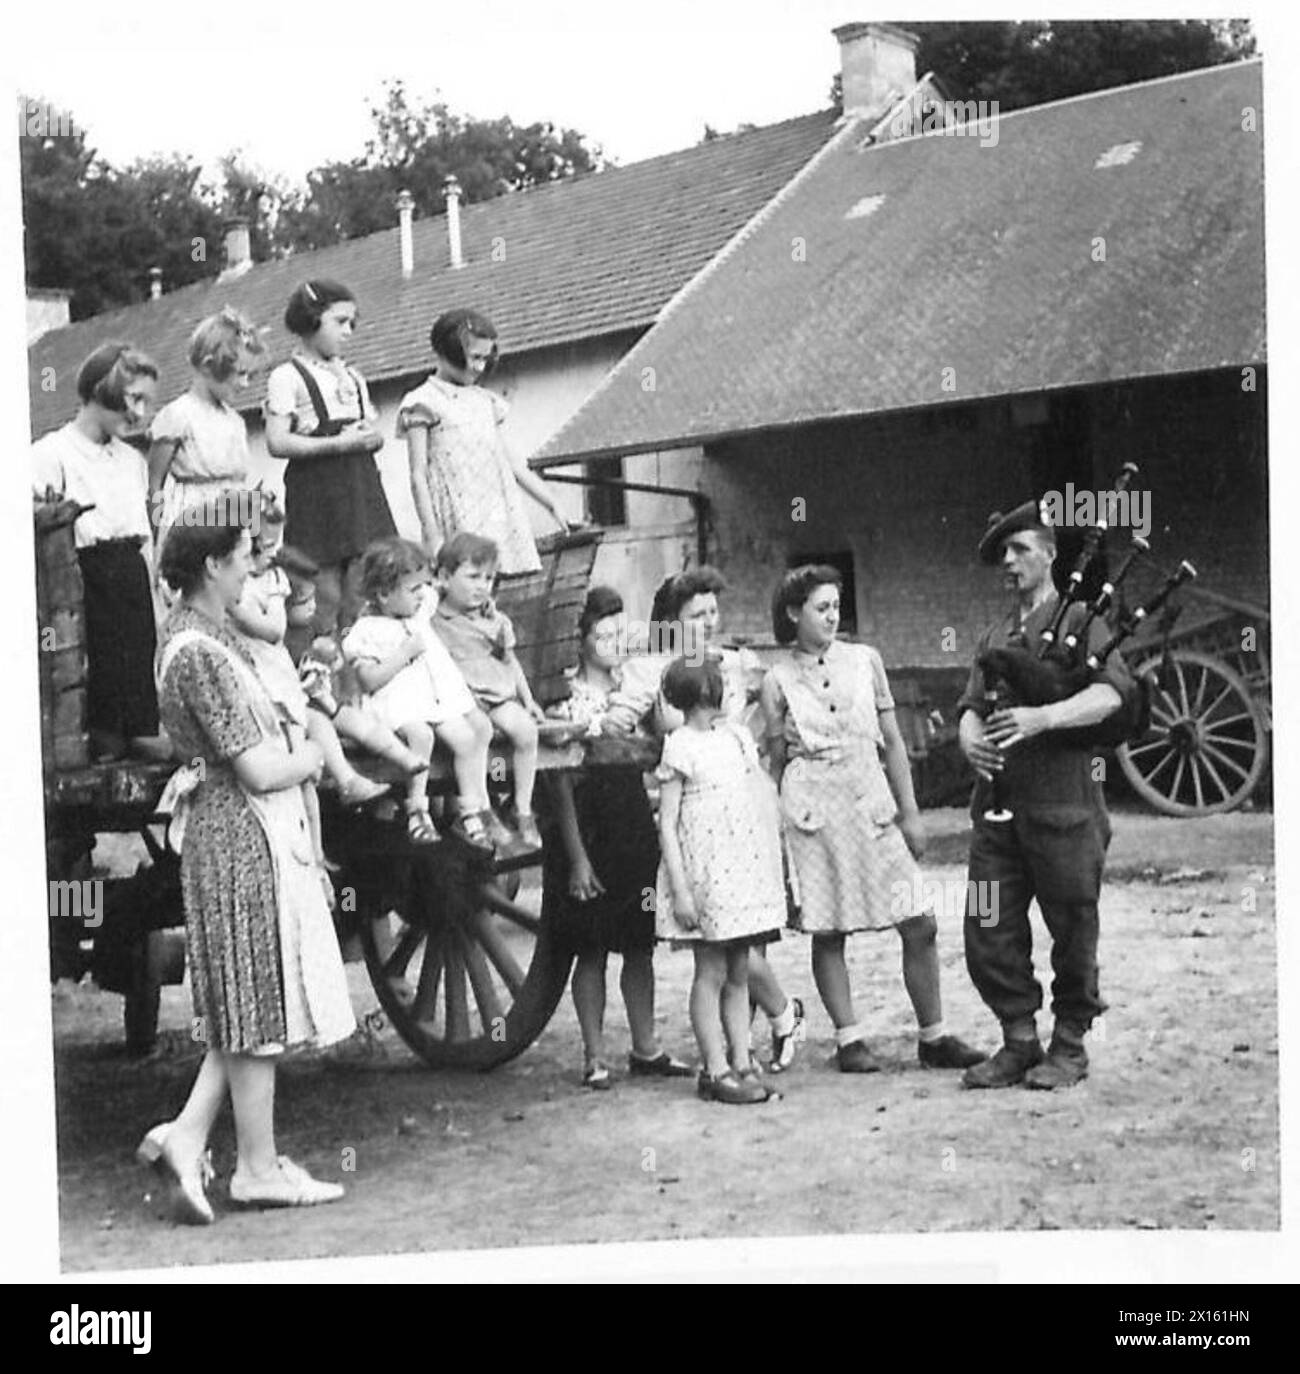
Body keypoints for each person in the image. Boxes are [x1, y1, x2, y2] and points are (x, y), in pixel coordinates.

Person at [138, 498, 352, 1223]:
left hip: (237, 830)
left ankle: (188, 1136)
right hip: (237, 833)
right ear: (210, 565)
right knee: (251, 1005)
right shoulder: (198, 650)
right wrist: (314, 755)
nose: (250, 571)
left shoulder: (203, 637)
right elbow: (257, 768)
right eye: (241, 558)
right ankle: (255, 1169)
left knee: (243, 1002)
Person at [761, 566, 986, 1074]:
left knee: (920, 921)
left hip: (870, 800)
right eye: (821, 608)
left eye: (837, 606)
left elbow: (894, 743)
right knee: (828, 928)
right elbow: (776, 764)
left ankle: (934, 1035)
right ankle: (849, 1040)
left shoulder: (866, 661)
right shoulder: (775, 682)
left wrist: (911, 814)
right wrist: (775, 837)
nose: (833, 616)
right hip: (812, 810)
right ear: (794, 613)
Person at [956, 503, 1132, 1090]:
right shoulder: (995, 634)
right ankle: (1019, 1040)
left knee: (1072, 927)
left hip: (1064, 806)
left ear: (1051, 554)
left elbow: (1112, 696)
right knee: (986, 922)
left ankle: (1071, 1044)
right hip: (997, 813)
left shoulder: (1085, 619)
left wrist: (1044, 717)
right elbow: (971, 707)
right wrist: (971, 742)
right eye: (1003, 555)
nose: (1009, 562)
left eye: (1020, 550)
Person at [652, 567, 806, 1072]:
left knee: (743, 950)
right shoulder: (666, 675)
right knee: (717, 958)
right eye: (697, 615)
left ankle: (745, 1051)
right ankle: (760, 1032)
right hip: (696, 826)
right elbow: (672, 726)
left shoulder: (734, 667)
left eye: (713, 612)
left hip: (737, 826)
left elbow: (753, 727)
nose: (709, 622)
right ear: (672, 621)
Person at [542, 587, 693, 1089]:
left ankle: (646, 1047)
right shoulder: (566, 698)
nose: (612, 644)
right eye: (601, 635)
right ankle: (593, 1055)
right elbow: (560, 781)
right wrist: (578, 859)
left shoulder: (636, 686)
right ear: (581, 642)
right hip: (587, 824)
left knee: (638, 944)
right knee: (591, 948)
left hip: (630, 820)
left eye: (618, 634)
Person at [228, 492, 390, 874]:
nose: (271, 553)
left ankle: (357, 789)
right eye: (262, 547)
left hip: (288, 692)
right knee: (309, 751)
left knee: (319, 742)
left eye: (274, 545)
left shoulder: (272, 581)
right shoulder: (245, 593)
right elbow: (271, 631)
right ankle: (320, 840)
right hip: (265, 697)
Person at [657, 656, 787, 1105]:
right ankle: (714, 1070)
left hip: (740, 874)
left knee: (738, 971)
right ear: (705, 694)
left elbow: (755, 795)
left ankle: (741, 1061)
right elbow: (668, 824)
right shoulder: (680, 744)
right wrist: (681, 889)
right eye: (723, 686)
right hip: (705, 877)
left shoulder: (736, 737)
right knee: (710, 971)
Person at [32, 341, 169, 762]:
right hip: (81, 575)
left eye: (147, 402)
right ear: (100, 390)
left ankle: (140, 734)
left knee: (137, 651)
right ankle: (103, 738)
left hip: (128, 569)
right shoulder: (50, 454)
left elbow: (142, 537)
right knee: (101, 657)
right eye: (133, 399)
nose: (139, 413)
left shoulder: (132, 460)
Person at [341, 537, 495, 850]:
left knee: (465, 739)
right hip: (395, 707)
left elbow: (438, 588)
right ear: (384, 595)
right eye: (413, 590)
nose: (421, 595)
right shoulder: (366, 630)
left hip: (431, 702)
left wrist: (483, 600)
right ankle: (417, 809)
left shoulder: (418, 611)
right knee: (421, 736)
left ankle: (469, 811)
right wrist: (403, 654)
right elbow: (369, 680)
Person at [264, 280, 396, 636]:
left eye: (352, 323)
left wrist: (370, 438)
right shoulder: (286, 377)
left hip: (360, 490)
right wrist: (337, 445)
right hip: (317, 495)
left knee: (361, 593)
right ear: (311, 321)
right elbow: (276, 442)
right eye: (339, 322)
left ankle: (357, 685)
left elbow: (371, 430)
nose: (348, 332)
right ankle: (321, 683)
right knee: (324, 599)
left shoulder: (353, 376)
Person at [397, 308, 569, 575]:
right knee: (464, 581)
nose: (479, 367)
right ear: (448, 351)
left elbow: (511, 462)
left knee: (495, 581)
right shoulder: (423, 402)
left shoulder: (484, 401)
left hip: (497, 509)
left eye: (485, 359)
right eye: (473, 358)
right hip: (457, 513)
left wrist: (551, 503)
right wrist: (431, 533)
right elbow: (418, 474)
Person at [431, 532, 544, 854]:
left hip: (498, 694)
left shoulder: (496, 621)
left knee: (526, 731)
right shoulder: (435, 618)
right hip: (463, 700)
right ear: (443, 577)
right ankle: (481, 807)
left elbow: (511, 662)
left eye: (489, 578)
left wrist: (529, 700)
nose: (482, 586)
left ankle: (522, 809)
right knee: (478, 734)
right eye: (472, 577)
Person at [147, 307, 264, 552]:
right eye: (239, 374)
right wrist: (158, 535)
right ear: (210, 366)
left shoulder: (235, 421)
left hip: (234, 517)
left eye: (249, 376)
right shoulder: (178, 416)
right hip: (193, 521)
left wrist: (251, 535)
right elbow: (155, 485)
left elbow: (240, 484)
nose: (244, 384)